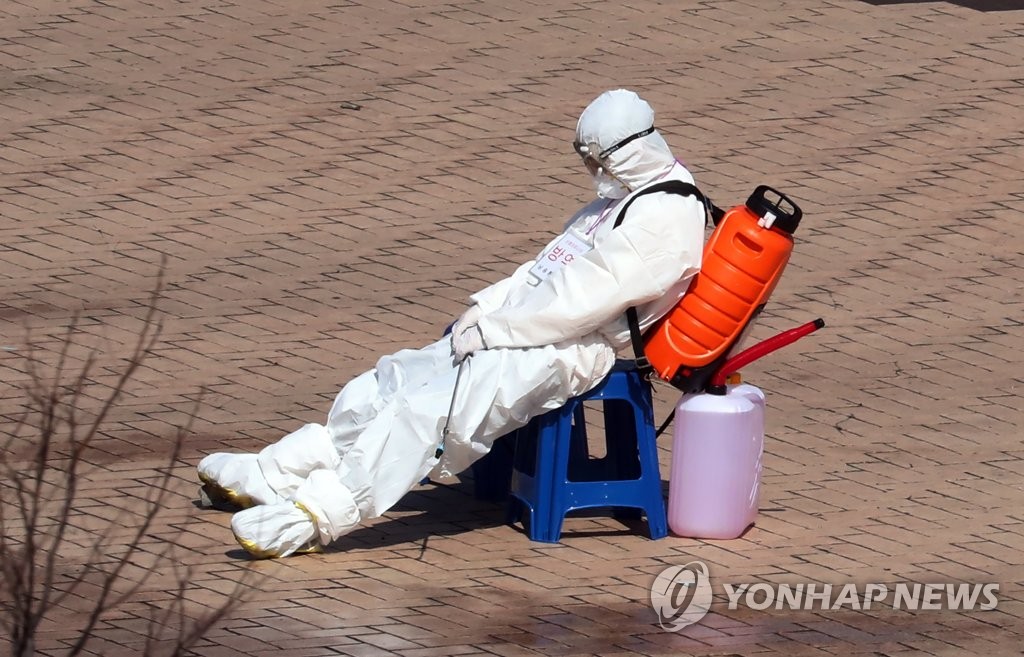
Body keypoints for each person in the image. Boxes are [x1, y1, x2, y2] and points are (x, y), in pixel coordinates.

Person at [198, 89, 709, 558]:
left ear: (629, 152)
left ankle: (312, 519)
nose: (594, 171)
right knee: (390, 382)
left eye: (600, 161)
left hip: (567, 349)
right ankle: (276, 473)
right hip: (526, 331)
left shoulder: (662, 218)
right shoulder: (625, 198)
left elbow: (580, 303)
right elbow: (544, 271)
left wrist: (496, 330)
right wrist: (485, 310)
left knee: (423, 414)